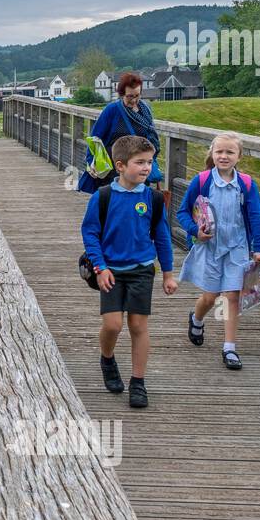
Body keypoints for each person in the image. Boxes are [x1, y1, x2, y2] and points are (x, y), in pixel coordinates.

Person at [81, 135, 178, 408]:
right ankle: (107, 358)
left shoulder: (154, 199)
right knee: (112, 324)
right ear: (120, 165)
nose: (147, 168)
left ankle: (138, 381)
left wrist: (168, 274)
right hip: (110, 269)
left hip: (141, 270)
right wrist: (100, 268)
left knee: (138, 325)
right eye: (140, 162)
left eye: (150, 162)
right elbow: (90, 233)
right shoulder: (103, 197)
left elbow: (162, 237)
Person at [176, 131, 260, 369]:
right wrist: (195, 231)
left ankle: (229, 348)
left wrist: (259, 247)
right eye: (219, 151)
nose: (224, 156)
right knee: (210, 296)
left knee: (232, 296)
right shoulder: (203, 180)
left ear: (239, 156)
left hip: (237, 247)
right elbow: (182, 212)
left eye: (230, 152)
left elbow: (256, 215)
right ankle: (196, 319)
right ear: (212, 154)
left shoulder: (246, 184)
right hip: (210, 247)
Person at [77, 72, 165, 202]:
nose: (134, 100)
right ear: (122, 94)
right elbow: (95, 137)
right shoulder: (112, 110)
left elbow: (150, 137)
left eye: (137, 96)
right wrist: (91, 162)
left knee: (136, 204)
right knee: (112, 204)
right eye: (130, 96)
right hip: (114, 168)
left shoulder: (145, 109)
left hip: (137, 167)